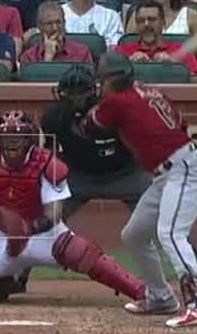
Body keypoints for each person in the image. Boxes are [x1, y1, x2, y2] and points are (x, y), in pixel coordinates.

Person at [0, 110, 145, 305]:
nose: (12, 145)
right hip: (2, 237)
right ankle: (6, 282)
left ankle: (141, 291)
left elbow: (55, 211)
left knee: (81, 253)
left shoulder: (47, 164)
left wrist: (28, 230)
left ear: (29, 139)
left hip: (44, 235)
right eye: (7, 139)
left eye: (18, 138)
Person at [83, 53, 197, 327]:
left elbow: (91, 125)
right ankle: (160, 297)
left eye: (102, 80)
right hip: (167, 171)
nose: (100, 86)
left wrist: (80, 107)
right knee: (134, 235)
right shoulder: (147, 90)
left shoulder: (117, 101)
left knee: (170, 233)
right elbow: (179, 123)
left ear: (112, 79)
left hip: (183, 168)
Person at [41, 63, 154, 223]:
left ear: (95, 91)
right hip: (78, 177)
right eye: (70, 93)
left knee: (163, 220)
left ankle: (184, 248)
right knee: (44, 220)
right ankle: (32, 247)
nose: (76, 99)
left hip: (127, 174)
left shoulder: (117, 109)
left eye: (82, 93)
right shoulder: (54, 118)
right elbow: (49, 155)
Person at [114, 1, 197, 79]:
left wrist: (175, 67)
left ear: (163, 23)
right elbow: (110, 82)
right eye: (141, 20)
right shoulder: (122, 51)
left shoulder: (182, 50)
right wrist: (128, 65)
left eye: (152, 19)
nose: (146, 24)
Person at [19, 1, 95, 64]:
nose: (55, 28)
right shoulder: (29, 57)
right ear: (40, 27)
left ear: (64, 23)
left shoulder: (82, 53)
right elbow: (37, 82)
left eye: (58, 22)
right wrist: (48, 57)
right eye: (49, 23)